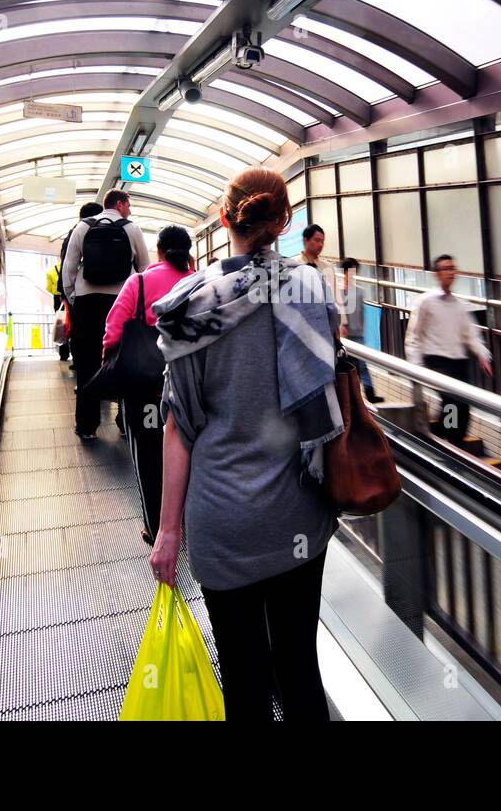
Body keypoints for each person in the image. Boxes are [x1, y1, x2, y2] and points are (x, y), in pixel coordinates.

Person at [149, 167, 340, 721]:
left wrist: (167, 533)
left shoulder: (191, 308)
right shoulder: (307, 288)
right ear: (283, 223)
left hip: (223, 525)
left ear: (226, 218)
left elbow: (178, 426)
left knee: (243, 680)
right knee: (300, 668)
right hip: (297, 516)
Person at [102, 225, 195, 545]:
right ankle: (189, 521)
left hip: (145, 386)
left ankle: (156, 528)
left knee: (148, 456)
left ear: (158, 251)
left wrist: (109, 363)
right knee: (191, 452)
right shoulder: (199, 283)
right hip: (189, 386)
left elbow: (113, 331)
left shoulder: (139, 282)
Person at [62, 190, 150, 439]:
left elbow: (69, 268)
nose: (130, 210)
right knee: (124, 359)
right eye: (129, 204)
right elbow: (144, 268)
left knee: (87, 363)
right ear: (119, 204)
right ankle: (124, 422)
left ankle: (86, 426)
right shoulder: (131, 229)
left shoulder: (82, 227)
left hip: (87, 303)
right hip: (122, 302)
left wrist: (74, 297)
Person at [405, 254, 493, 446]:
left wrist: (483, 355)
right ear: (437, 274)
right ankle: (450, 443)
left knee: (463, 407)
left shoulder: (460, 305)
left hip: (459, 362)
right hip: (436, 361)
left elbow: (471, 333)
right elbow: (413, 336)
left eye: (452, 268)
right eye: (445, 269)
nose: (450, 272)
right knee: (452, 402)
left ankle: (450, 439)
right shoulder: (425, 302)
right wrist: (415, 366)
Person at [59, 203, 102, 364]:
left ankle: (80, 365)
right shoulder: (113, 228)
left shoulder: (76, 231)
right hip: (111, 293)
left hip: (82, 292)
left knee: (81, 332)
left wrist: (68, 293)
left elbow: (67, 264)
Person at [337, 257, 383, 404]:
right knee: (347, 365)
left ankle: (370, 394)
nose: (353, 273)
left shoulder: (360, 291)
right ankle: (351, 395)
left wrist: (362, 327)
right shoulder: (338, 290)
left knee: (362, 365)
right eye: (351, 269)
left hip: (357, 333)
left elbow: (362, 311)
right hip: (344, 335)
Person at [299, 223, 338, 300]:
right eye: (317, 240)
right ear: (305, 240)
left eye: (322, 241)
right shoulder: (294, 265)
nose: (320, 245)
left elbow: (334, 297)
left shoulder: (328, 267)